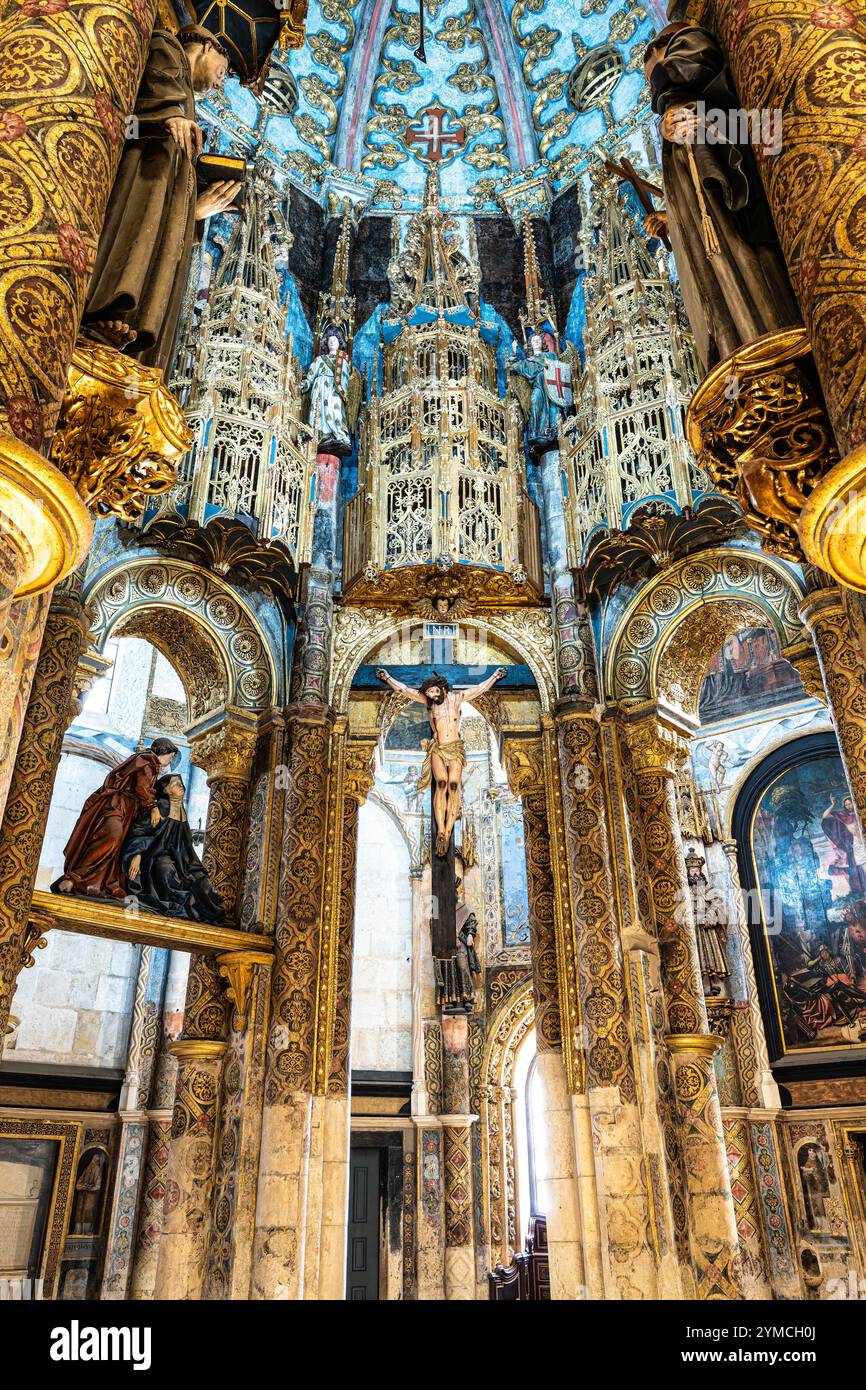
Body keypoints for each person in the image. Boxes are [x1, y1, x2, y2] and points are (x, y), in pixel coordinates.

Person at [643, 23, 801, 374]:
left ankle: (773, 366)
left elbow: (757, 140)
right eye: (651, 83)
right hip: (711, 245)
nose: (656, 88)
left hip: (740, 234)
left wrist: (699, 120)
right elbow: (699, 190)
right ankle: (743, 376)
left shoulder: (723, 100)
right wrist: (674, 218)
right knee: (724, 302)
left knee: (752, 288)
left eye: (659, 73)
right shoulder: (678, 121)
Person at [82, 25, 240, 370]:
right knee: (138, 228)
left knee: (161, 248)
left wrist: (196, 212)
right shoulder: (165, 47)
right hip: (142, 178)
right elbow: (118, 123)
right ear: (205, 46)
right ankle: (108, 306)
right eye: (222, 72)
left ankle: (138, 323)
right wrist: (166, 117)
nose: (219, 84)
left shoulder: (186, 107)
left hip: (162, 194)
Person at [375, 666, 507, 855]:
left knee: (453, 785)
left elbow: (480, 688)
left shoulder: (456, 699)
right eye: (428, 692)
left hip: (455, 748)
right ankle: (441, 832)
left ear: (442, 688)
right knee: (442, 784)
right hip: (438, 749)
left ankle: (447, 828)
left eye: (433, 691)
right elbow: (404, 690)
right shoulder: (429, 703)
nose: (431, 695)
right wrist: (387, 677)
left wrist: (495, 675)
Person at [52, 738, 179, 900]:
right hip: (116, 806)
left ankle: (94, 883)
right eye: (171, 756)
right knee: (111, 838)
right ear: (164, 752)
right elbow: (142, 789)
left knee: (116, 845)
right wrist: (153, 807)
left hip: (125, 808)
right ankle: (76, 877)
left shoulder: (146, 761)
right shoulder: (147, 761)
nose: (170, 760)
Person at [121, 773, 225, 922]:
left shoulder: (182, 812)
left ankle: (215, 915)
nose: (180, 786)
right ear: (166, 790)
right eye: (175, 784)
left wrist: (192, 865)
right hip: (156, 855)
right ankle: (176, 907)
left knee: (202, 880)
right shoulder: (160, 809)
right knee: (166, 869)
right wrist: (137, 855)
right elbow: (139, 832)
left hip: (181, 858)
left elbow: (185, 844)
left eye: (180, 783)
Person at [508, 326, 572, 456]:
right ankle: (536, 432)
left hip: (550, 388)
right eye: (534, 341)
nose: (536, 342)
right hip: (538, 387)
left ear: (542, 344)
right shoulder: (528, 361)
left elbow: (560, 371)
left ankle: (554, 429)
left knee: (553, 408)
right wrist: (514, 352)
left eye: (538, 340)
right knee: (534, 401)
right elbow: (514, 366)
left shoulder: (550, 356)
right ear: (530, 345)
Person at [300, 323, 361, 456]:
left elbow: (345, 379)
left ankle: (338, 435)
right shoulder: (319, 359)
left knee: (336, 411)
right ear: (326, 343)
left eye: (335, 340)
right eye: (330, 340)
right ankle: (317, 434)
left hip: (335, 389)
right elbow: (310, 376)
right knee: (318, 410)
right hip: (320, 388)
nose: (332, 342)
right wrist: (304, 384)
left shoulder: (343, 361)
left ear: (340, 343)